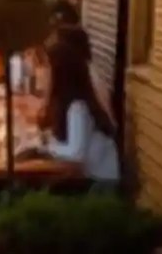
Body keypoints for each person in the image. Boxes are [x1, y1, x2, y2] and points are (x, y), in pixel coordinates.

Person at [41, 26, 119, 184]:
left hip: (100, 183)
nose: (45, 74)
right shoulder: (70, 104)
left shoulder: (78, 108)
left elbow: (76, 156)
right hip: (89, 177)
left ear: (60, 74)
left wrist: (47, 146)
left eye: (48, 69)